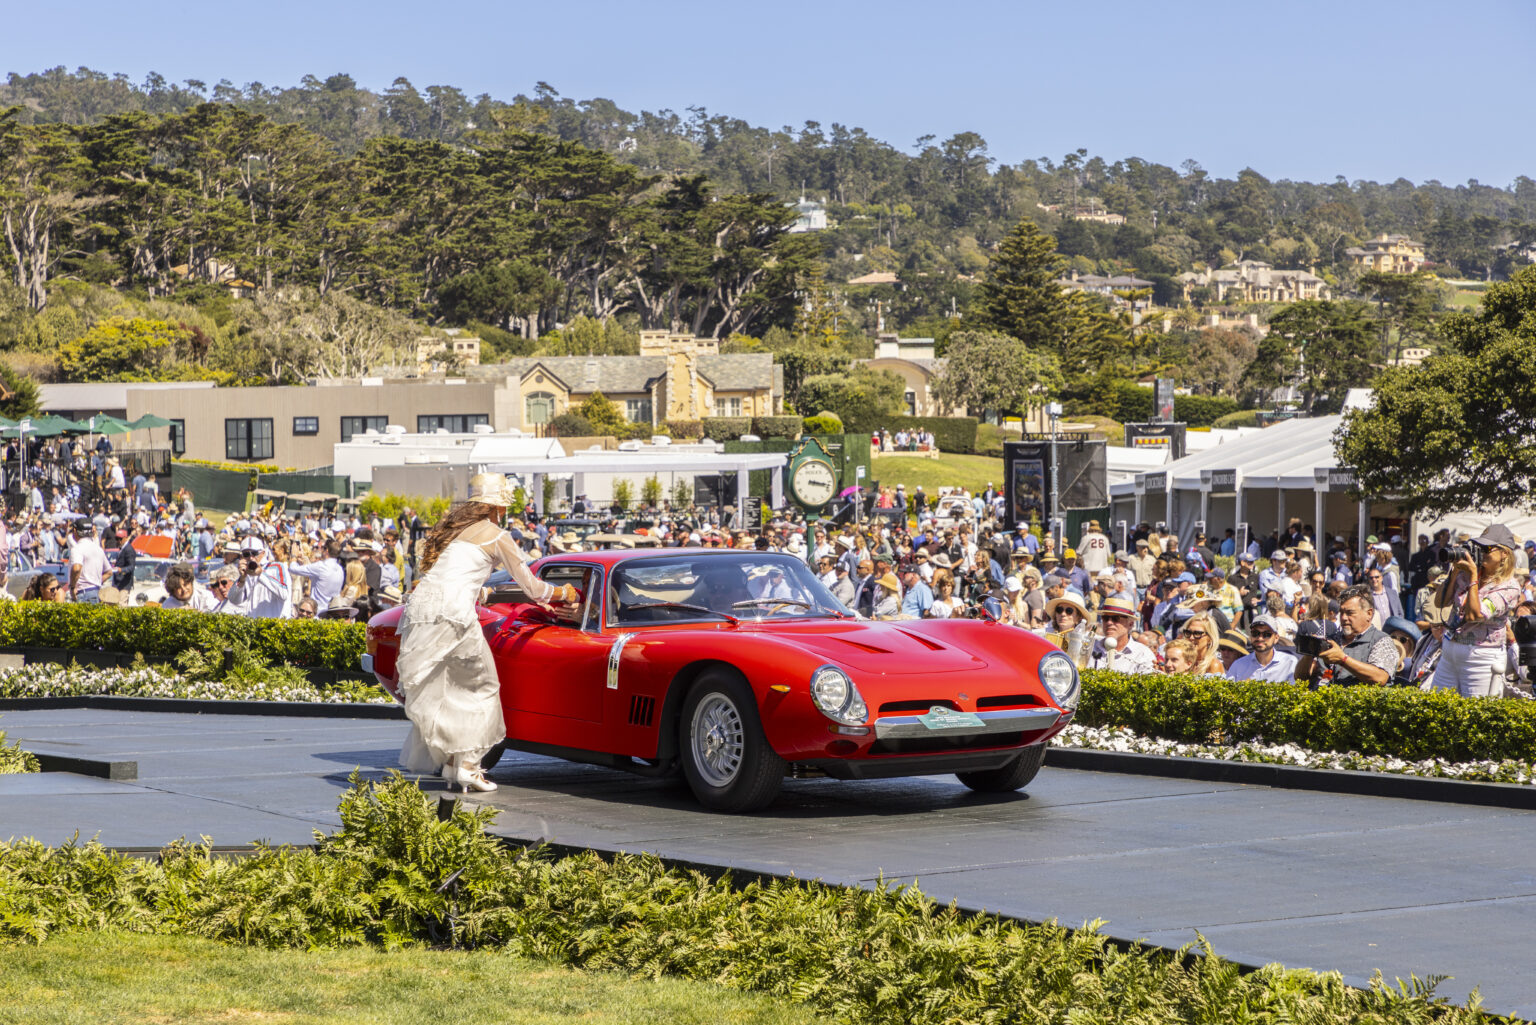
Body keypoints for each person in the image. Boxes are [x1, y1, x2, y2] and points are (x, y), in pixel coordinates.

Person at [396, 474, 575, 793]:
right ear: (497, 508)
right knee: (484, 687)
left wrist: (496, 595)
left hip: (421, 611)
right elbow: (533, 586)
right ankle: (466, 766)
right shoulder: (497, 535)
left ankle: (454, 765)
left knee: (451, 690)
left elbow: (464, 581)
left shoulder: (456, 531)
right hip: (453, 614)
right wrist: (562, 593)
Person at [1428, 524, 1521, 698]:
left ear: (1504, 554)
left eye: (1487, 548)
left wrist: (1472, 577)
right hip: (1450, 652)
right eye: (1479, 547)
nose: (1481, 552)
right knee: (1436, 710)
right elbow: (1440, 602)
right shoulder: (1468, 573)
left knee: (1474, 719)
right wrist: (1454, 572)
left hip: (1481, 660)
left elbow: (1474, 615)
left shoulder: (1510, 587)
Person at [1297, 585, 1396, 687]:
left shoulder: (1381, 641)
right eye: (1341, 612)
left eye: (1350, 613)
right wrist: (1309, 654)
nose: (1343, 618)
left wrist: (1343, 659)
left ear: (1369, 614)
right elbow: (1300, 677)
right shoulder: (1332, 639)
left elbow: (1380, 678)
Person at [1087, 594, 1155, 674]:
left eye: (1116, 618)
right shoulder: (1089, 648)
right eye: (1105, 618)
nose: (1109, 622)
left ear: (1130, 624)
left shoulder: (1142, 654)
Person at [1225, 615, 1298, 682]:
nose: (1260, 638)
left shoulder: (1290, 663)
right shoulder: (1238, 665)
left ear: (1276, 638)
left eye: (1266, 634)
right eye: (1255, 633)